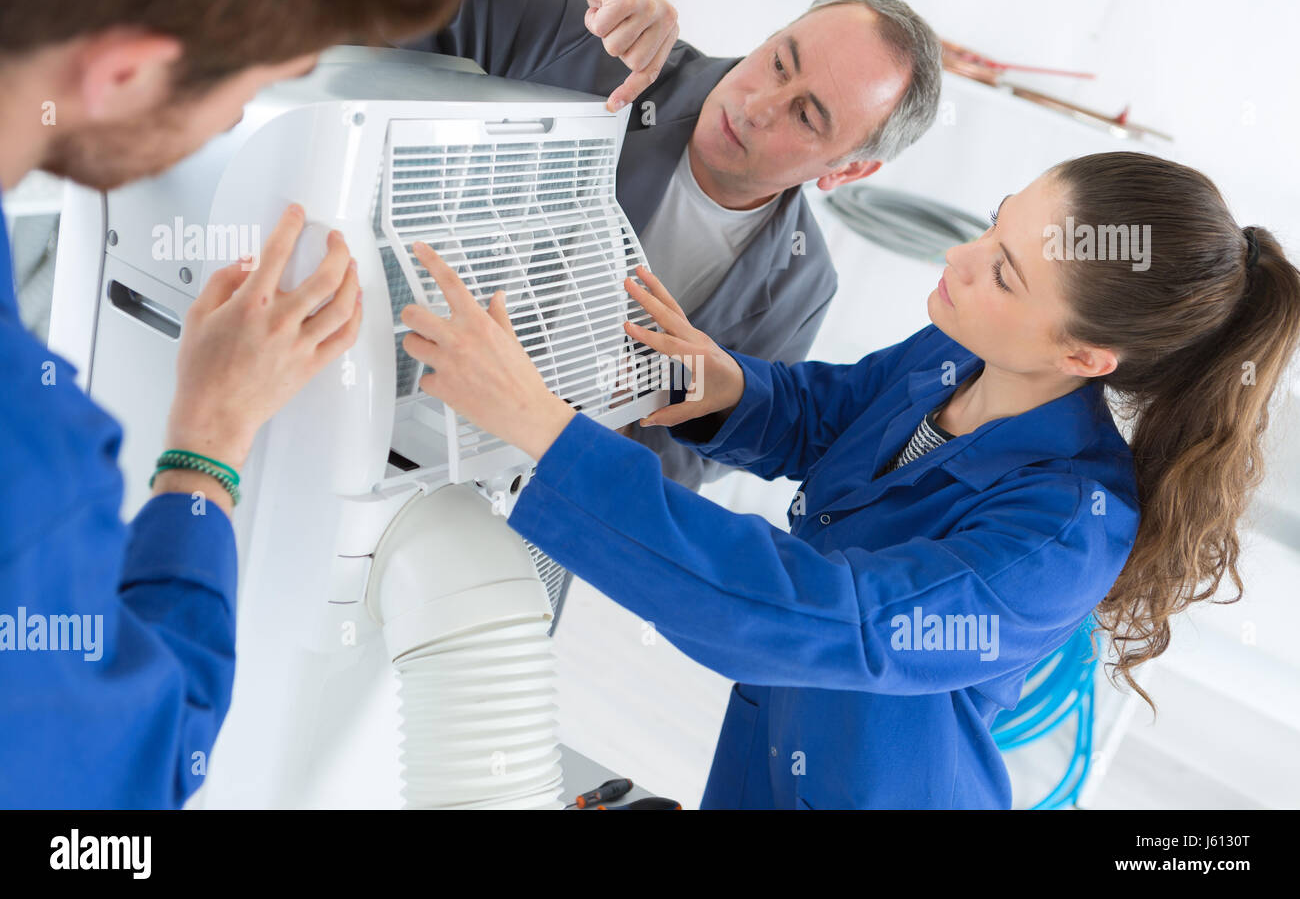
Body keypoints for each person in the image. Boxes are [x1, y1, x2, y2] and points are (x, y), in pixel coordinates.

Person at [396, 150, 1300, 808]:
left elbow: (817, 614)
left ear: (1084, 353)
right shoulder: (960, 349)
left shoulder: (1066, 529)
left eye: (1003, 273)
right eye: (993, 223)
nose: (958, 259)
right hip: (773, 752)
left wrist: (550, 437)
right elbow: (833, 417)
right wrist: (728, 388)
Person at [0, 0, 478, 808]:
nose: (229, 127)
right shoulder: (32, 467)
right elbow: (125, 790)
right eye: (252, 91)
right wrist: (206, 447)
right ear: (128, 72)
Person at [411, 0, 943, 490]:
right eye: (780, 63)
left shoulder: (802, 284)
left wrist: (559, 426)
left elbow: (684, 466)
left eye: (806, 117)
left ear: (846, 172)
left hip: (498, 495)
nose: (758, 106)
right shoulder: (602, 45)